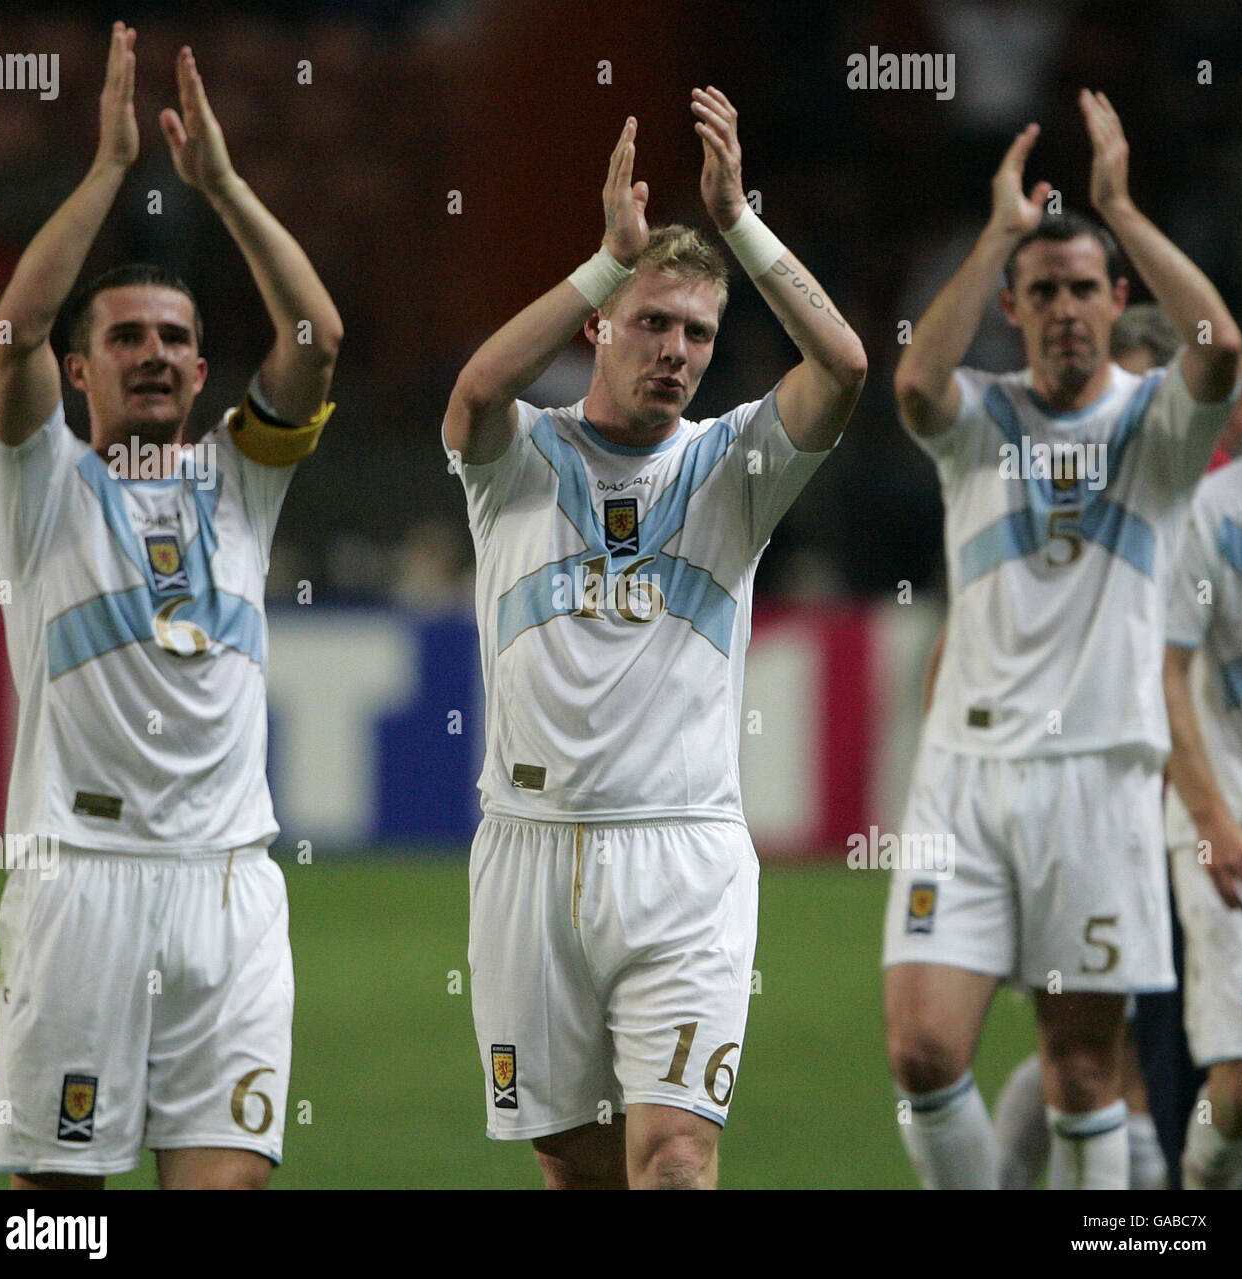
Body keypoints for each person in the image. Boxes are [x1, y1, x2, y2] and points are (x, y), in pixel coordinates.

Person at [444, 87, 865, 1189]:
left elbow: (846, 365)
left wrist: (740, 224)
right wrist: (605, 255)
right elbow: (477, 386)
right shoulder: (518, 458)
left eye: (696, 332)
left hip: (682, 854)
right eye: (650, 321)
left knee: (674, 1155)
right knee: (574, 1164)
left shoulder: (734, 469)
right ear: (598, 325)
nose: (675, 350)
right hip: (527, 848)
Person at [0, 23, 341, 1189]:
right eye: (124, 336)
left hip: (229, 886)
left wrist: (226, 190)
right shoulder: (44, 483)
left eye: (174, 340)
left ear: (198, 371)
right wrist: (103, 172)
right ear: (78, 372)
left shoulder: (241, 474)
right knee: (56, 1217)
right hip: (81, 875)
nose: (152, 354)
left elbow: (316, 339)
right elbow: (11, 331)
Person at [884, 89, 1242, 1189]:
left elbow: (1217, 346)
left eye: (1084, 289)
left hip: (1096, 776)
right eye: (1041, 293)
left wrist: (1121, 208)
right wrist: (997, 229)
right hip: (963, 776)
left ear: (1113, 294)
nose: (1066, 310)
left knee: (1084, 1070)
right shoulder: (979, 420)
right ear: (1013, 308)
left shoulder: (1154, 432)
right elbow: (910, 380)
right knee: (923, 1050)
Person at [1164, 441, 1242, 1189]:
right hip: (1234, 821)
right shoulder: (1217, 510)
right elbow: (1165, 667)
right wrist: (1209, 817)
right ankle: (1196, 1189)